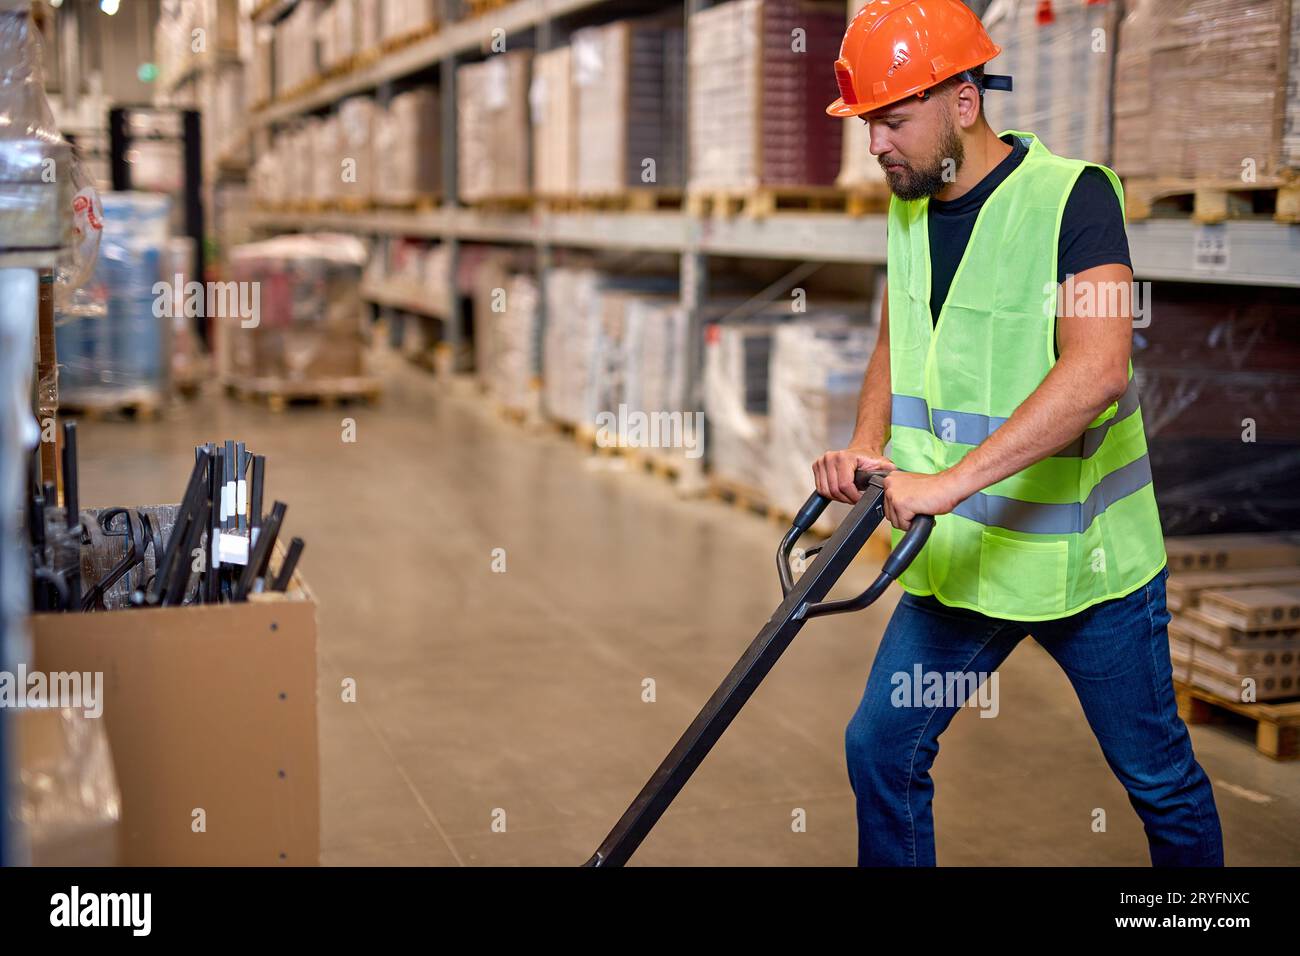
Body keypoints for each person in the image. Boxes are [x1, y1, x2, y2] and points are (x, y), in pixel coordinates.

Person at [814, 0, 1223, 866]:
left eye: (893, 119)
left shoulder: (1077, 200)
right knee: (879, 748)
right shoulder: (909, 205)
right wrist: (865, 442)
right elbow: (900, 334)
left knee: (1156, 778)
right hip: (962, 557)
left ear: (963, 101)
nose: (877, 144)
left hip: (1084, 569)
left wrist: (950, 482)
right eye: (868, 125)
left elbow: (1099, 371)